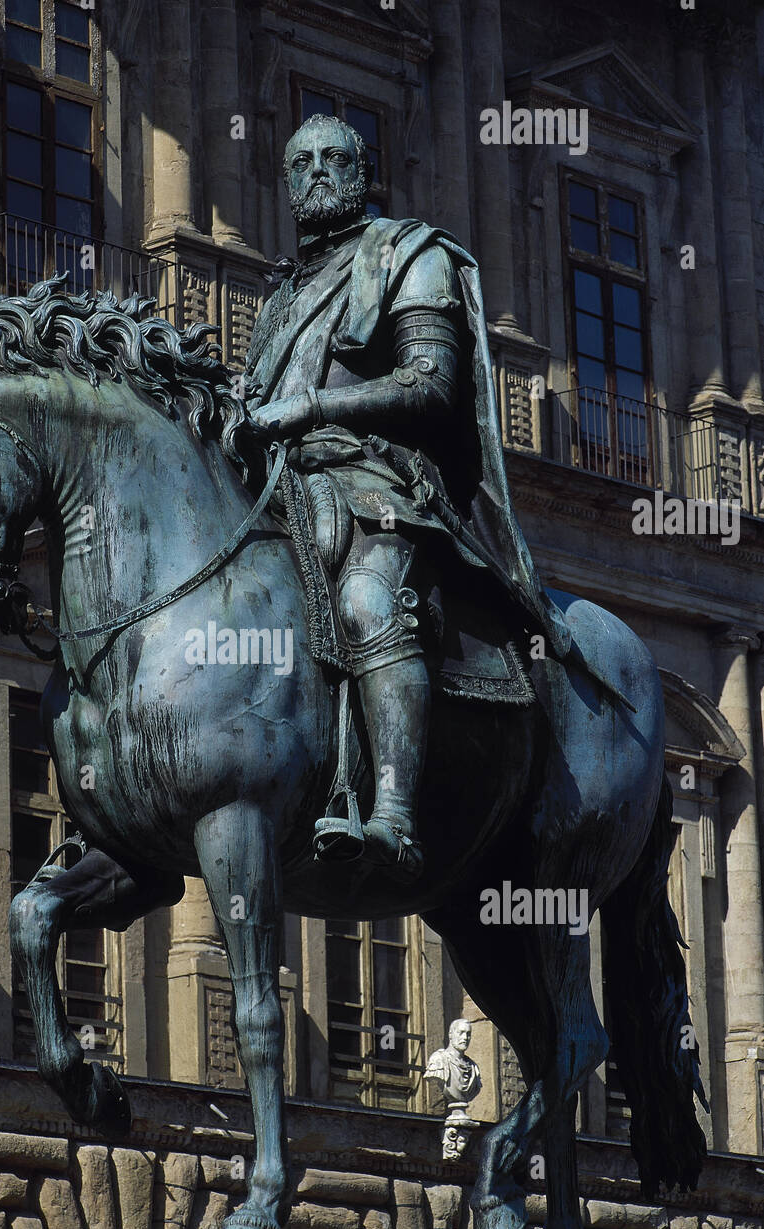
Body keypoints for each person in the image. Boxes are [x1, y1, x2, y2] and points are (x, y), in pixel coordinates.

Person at [244, 114, 572, 877]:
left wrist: (315, 411)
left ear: (364, 171)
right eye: (301, 163)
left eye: (334, 158)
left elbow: (429, 383)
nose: (317, 172)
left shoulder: (408, 253)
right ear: (287, 183)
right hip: (282, 479)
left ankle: (393, 810)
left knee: (367, 601)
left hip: (376, 479)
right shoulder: (282, 292)